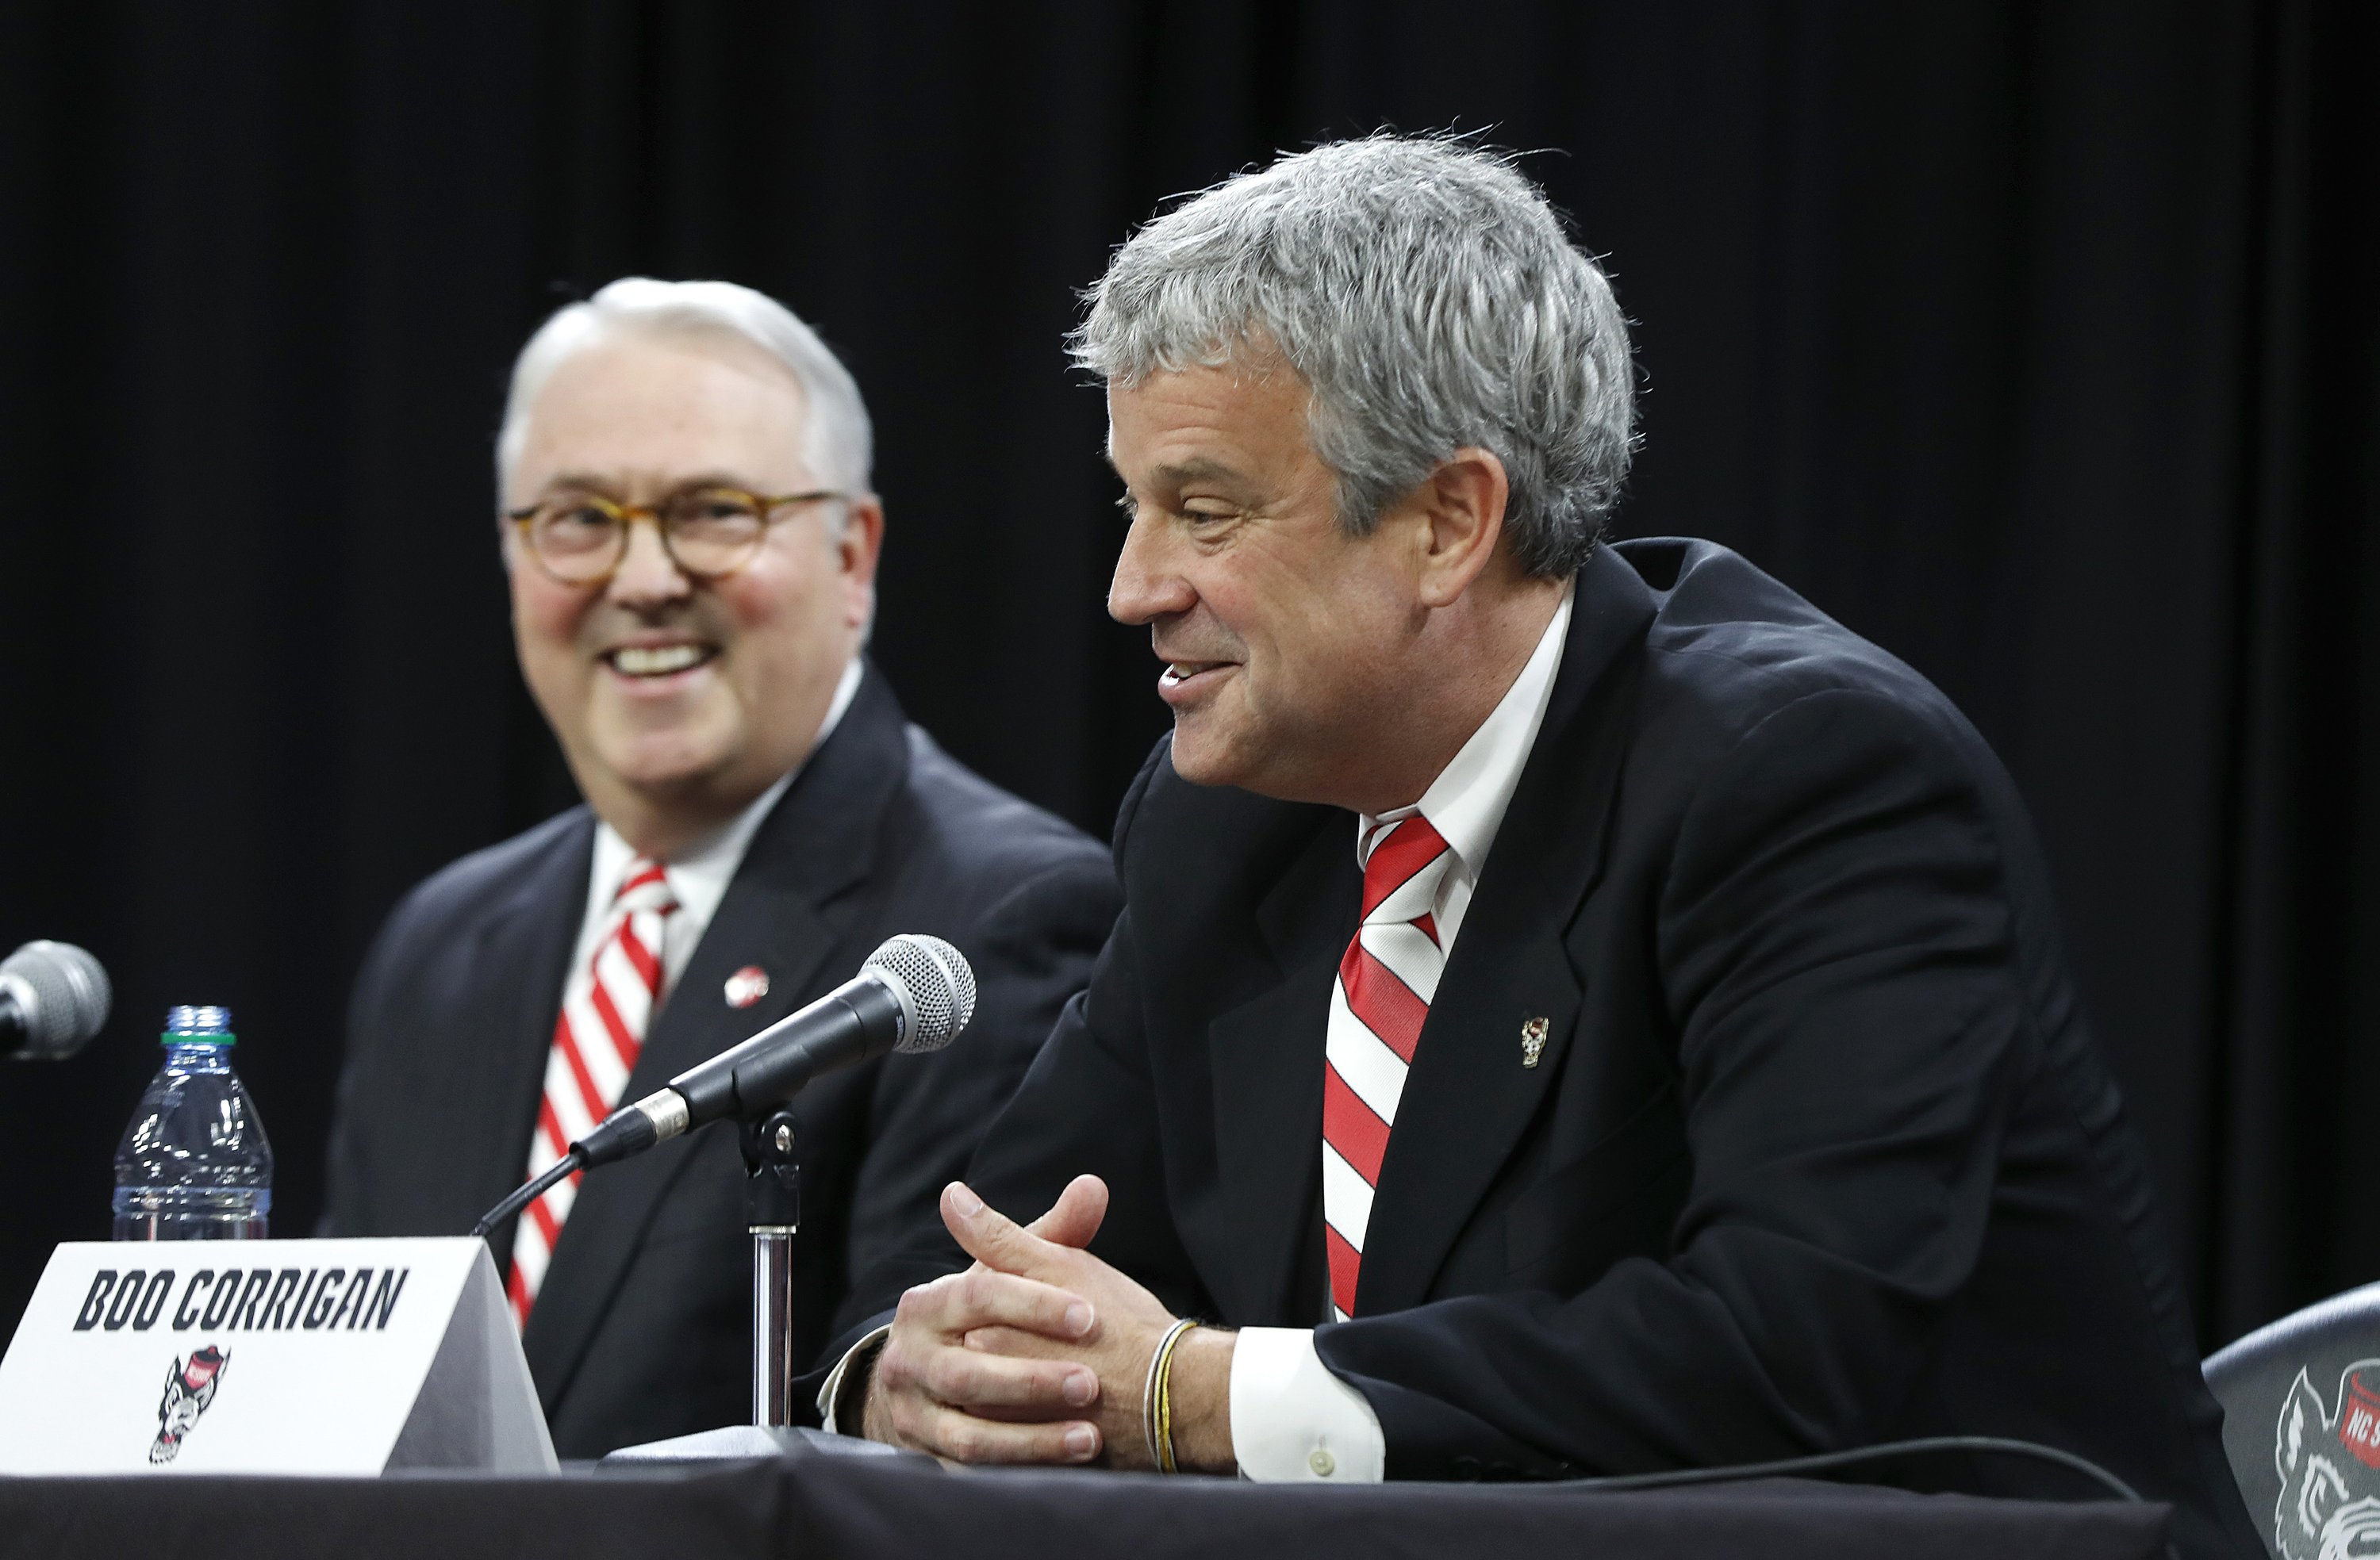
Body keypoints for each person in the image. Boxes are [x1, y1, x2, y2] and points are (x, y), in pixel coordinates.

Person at [817, 139, 2259, 1559]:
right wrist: (917, 1372)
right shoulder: (1221, 824)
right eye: (1131, 506)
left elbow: (1778, 1351)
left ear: (1449, 522)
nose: (1135, 588)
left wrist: (1187, 1391)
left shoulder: (1806, 778)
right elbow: (991, 1251)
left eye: (1204, 510)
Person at [321, 278, 1119, 1458]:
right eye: (578, 519)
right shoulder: (444, 941)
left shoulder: (995, 918)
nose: (641, 579)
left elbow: (907, 1430)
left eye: (712, 511)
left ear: (854, 555)